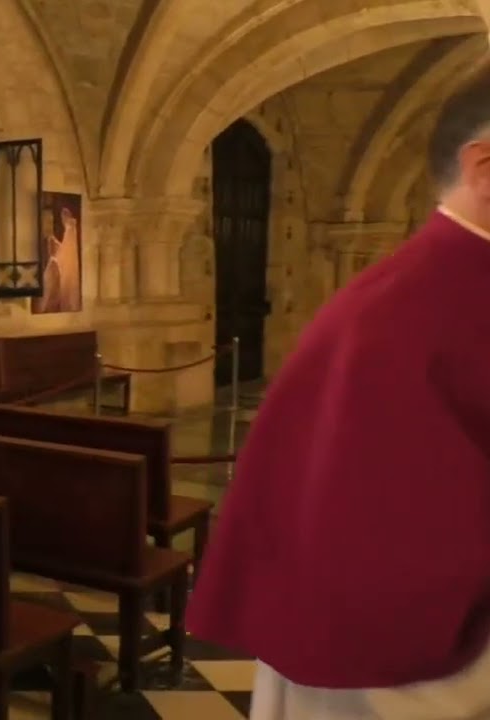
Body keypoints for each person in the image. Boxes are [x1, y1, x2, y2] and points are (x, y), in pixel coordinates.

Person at [188, 62, 490, 719]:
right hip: (394, 671)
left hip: (354, 642)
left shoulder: (391, 293)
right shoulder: (428, 305)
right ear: (486, 167)